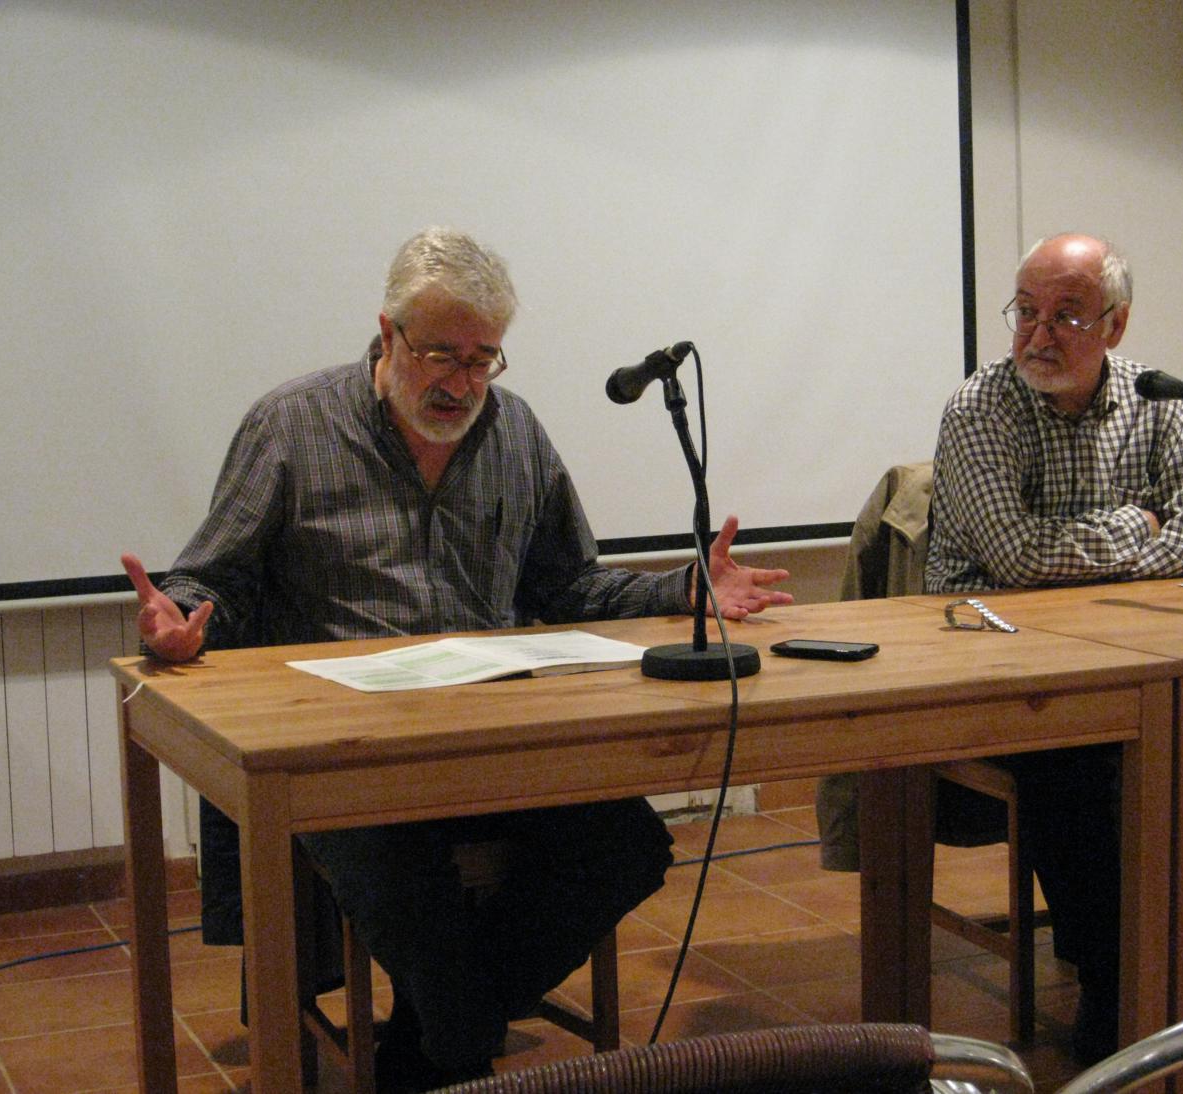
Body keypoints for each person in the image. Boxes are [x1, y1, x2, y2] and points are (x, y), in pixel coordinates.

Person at [121, 226, 793, 1089]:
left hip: (492, 730)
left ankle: (430, 1043)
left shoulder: (515, 435)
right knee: (399, 873)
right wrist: (180, 617)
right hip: (343, 746)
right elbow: (214, 578)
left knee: (623, 844)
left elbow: (570, 587)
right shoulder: (293, 424)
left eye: (484, 359)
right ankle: (456, 1049)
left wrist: (681, 590)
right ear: (387, 332)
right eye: (441, 354)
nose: (462, 382)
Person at [924, 233, 1183, 1064]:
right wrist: (1137, 522)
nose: (1036, 336)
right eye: (1025, 312)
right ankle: (1109, 977)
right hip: (993, 657)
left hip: (1134, 648)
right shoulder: (980, 407)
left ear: (1114, 327)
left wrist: (1089, 548)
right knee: (1077, 756)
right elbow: (1012, 561)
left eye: (1065, 316)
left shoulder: (1158, 402)